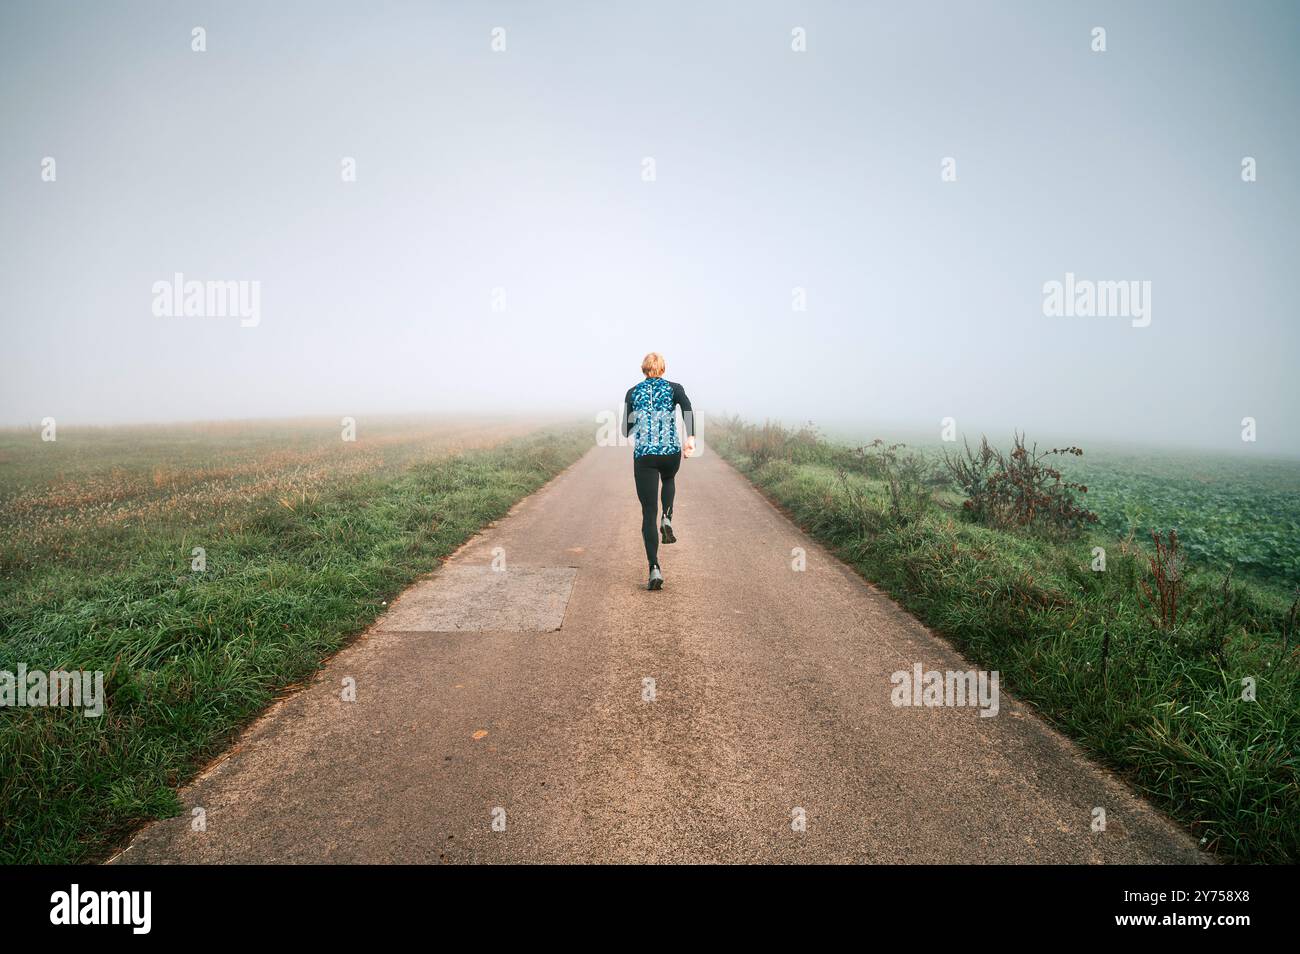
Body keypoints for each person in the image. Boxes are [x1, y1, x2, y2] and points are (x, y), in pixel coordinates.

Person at [623, 352, 695, 590]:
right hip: (670, 452)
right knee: (669, 478)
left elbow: (626, 430)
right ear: (663, 369)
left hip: (645, 455)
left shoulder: (633, 392)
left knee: (647, 512)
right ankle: (667, 516)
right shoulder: (675, 388)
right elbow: (687, 410)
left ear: (643, 369)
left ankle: (654, 568)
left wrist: (641, 421)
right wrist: (691, 438)